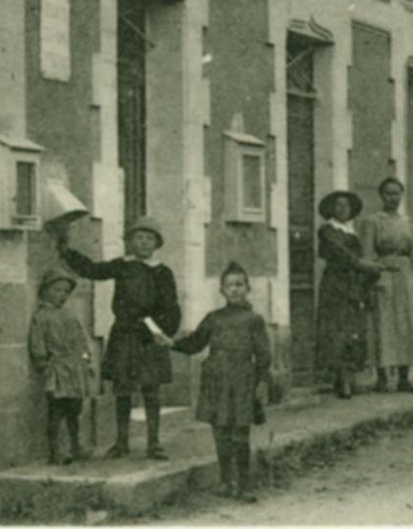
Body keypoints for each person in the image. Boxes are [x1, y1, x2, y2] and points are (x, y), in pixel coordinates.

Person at [54, 215, 182, 459]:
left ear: (157, 244)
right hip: (124, 334)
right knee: (122, 390)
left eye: (149, 239)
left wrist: (165, 332)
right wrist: (68, 253)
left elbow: (171, 306)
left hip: (150, 335)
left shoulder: (163, 272)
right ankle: (121, 442)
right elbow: (93, 270)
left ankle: (153, 443)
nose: (144, 243)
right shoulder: (122, 266)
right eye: (138, 238)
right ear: (130, 242)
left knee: (151, 390)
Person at [159, 262, 272, 502]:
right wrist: (172, 343)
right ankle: (225, 481)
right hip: (216, 379)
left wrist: (261, 383)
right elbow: (196, 343)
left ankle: (243, 485)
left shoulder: (254, 320)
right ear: (222, 290)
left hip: (242, 379)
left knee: (240, 433)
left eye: (239, 284)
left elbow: (263, 356)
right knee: (220, 432)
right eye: (229, 285)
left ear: (247, 288)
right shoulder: (214, 318)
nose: (235, 289)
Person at [315, 190, 382, 399]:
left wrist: (370, 274)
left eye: (346, 205)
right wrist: (362, 264)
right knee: (338, 329)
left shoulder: (352, 232)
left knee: (354, 329)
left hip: (353, 284)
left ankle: (348, 377)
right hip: (336, 285)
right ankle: (342, 379)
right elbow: (341, 254)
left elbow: (361, 257)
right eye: (338, 205)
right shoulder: (327, 230)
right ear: (331, 209)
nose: (342, 209)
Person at [360, 177, 413, 393]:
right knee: (384, 325)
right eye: (388, 193)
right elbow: (367, 254)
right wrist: (372, 280)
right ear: (381, 195)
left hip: (405, 277)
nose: (393, 198)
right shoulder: (373, 221)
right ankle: (382, 378)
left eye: (397, 193)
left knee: (406, 325)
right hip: (383, 275)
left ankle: (404, 378)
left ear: (401, 195)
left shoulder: (407, 222)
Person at [27, 269, 96, 465]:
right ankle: (54, 450)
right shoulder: (42, 316)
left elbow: (82, 342)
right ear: (46, 290)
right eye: (57, 290)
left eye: (66, 292)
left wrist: (85, 359)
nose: (62, 295)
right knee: (56, 411)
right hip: (57, 370)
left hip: (76, 369)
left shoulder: (69, 316)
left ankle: (76, 447)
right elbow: (37, 344)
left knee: (75, 410)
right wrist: (45, 365)